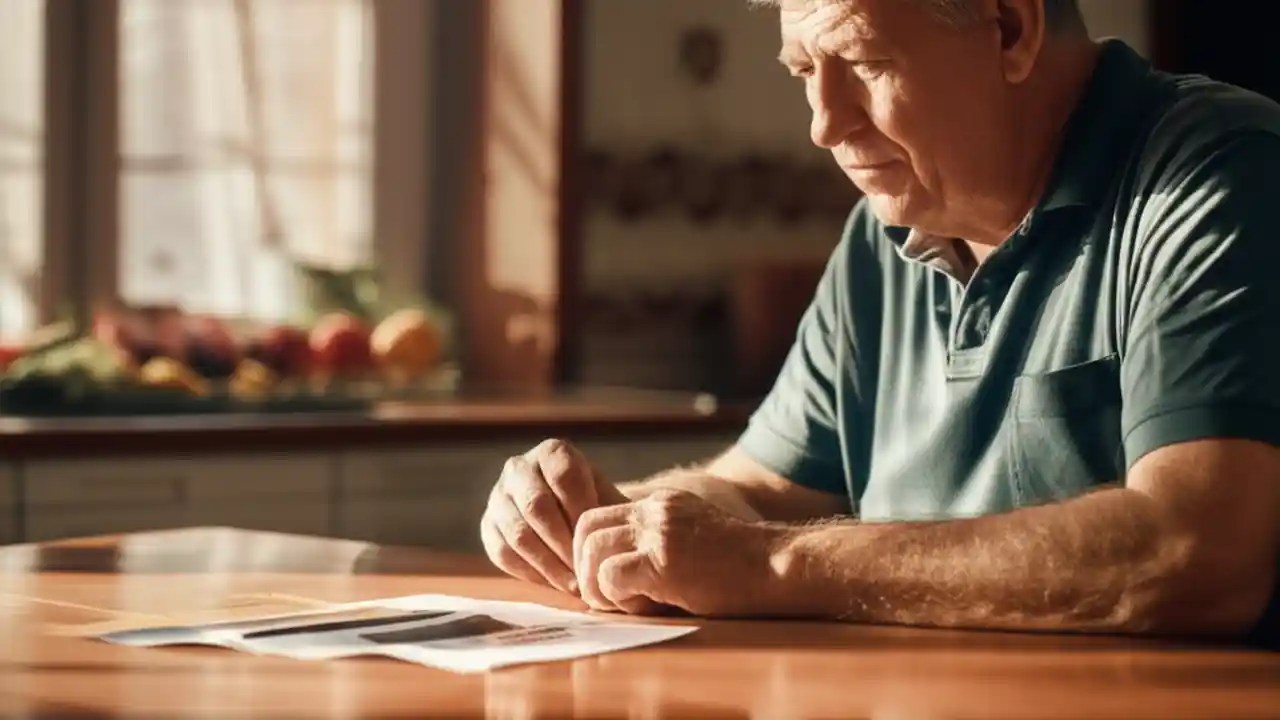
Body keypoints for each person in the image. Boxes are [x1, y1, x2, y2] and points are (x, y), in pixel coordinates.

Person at [479, 0, 1280, 643]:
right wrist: (612, 523)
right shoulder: (885, 230)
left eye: (863, 62)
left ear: (1009, 28)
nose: (823, 123)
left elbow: (1198, 553)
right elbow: (761, 490)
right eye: (803, 71)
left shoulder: (1221, 174)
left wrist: (775, 567)